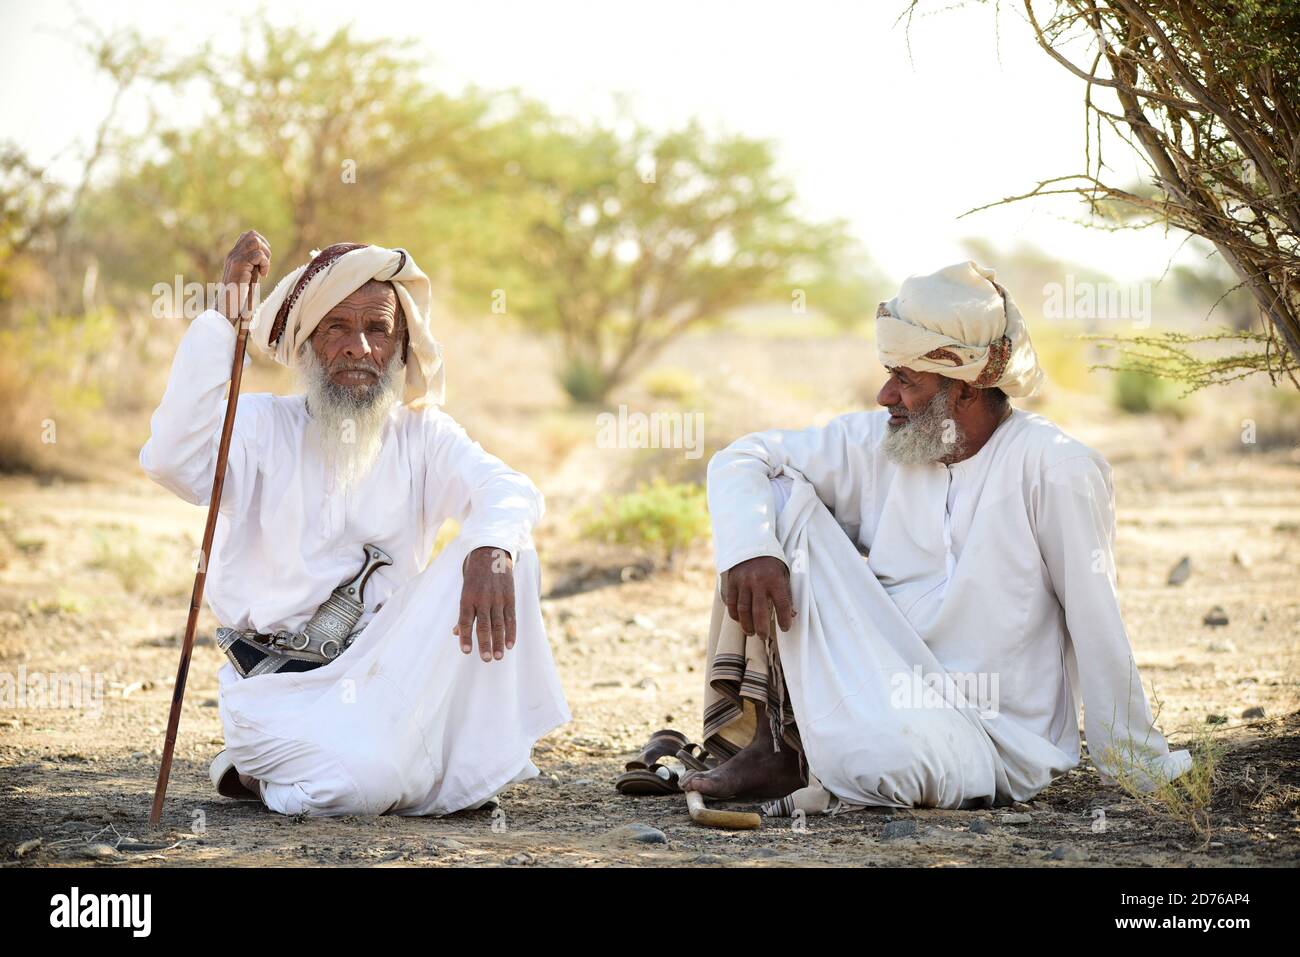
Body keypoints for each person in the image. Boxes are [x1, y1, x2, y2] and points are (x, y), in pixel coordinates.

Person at [685, 261, 1190, 816]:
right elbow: (742, 458)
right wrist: (753, 548)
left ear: (967, 390)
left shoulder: (1055, 467)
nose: (884, 395)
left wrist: (1138, 764)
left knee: (883, 764)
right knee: (769, 500)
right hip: (883, 681)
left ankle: (821, 754)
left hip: (989, 735)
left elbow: (1097, 620)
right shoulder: (883, 444)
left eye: (906, 379)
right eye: (890, 374)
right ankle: (777, 745)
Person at [140, 231, 570, 816]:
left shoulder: (422, 435)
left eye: (378, 329)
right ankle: (271, 769)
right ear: (307, 344)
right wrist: (225, 319)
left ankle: (398, 760)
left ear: (400, 347)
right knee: (361, 786)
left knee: (507, 549)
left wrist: (491, 545)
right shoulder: (262, 425)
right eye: (336, 328)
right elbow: (172, 461)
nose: (358, 348)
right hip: (278, 689)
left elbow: (508, 489)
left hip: (385, 676)